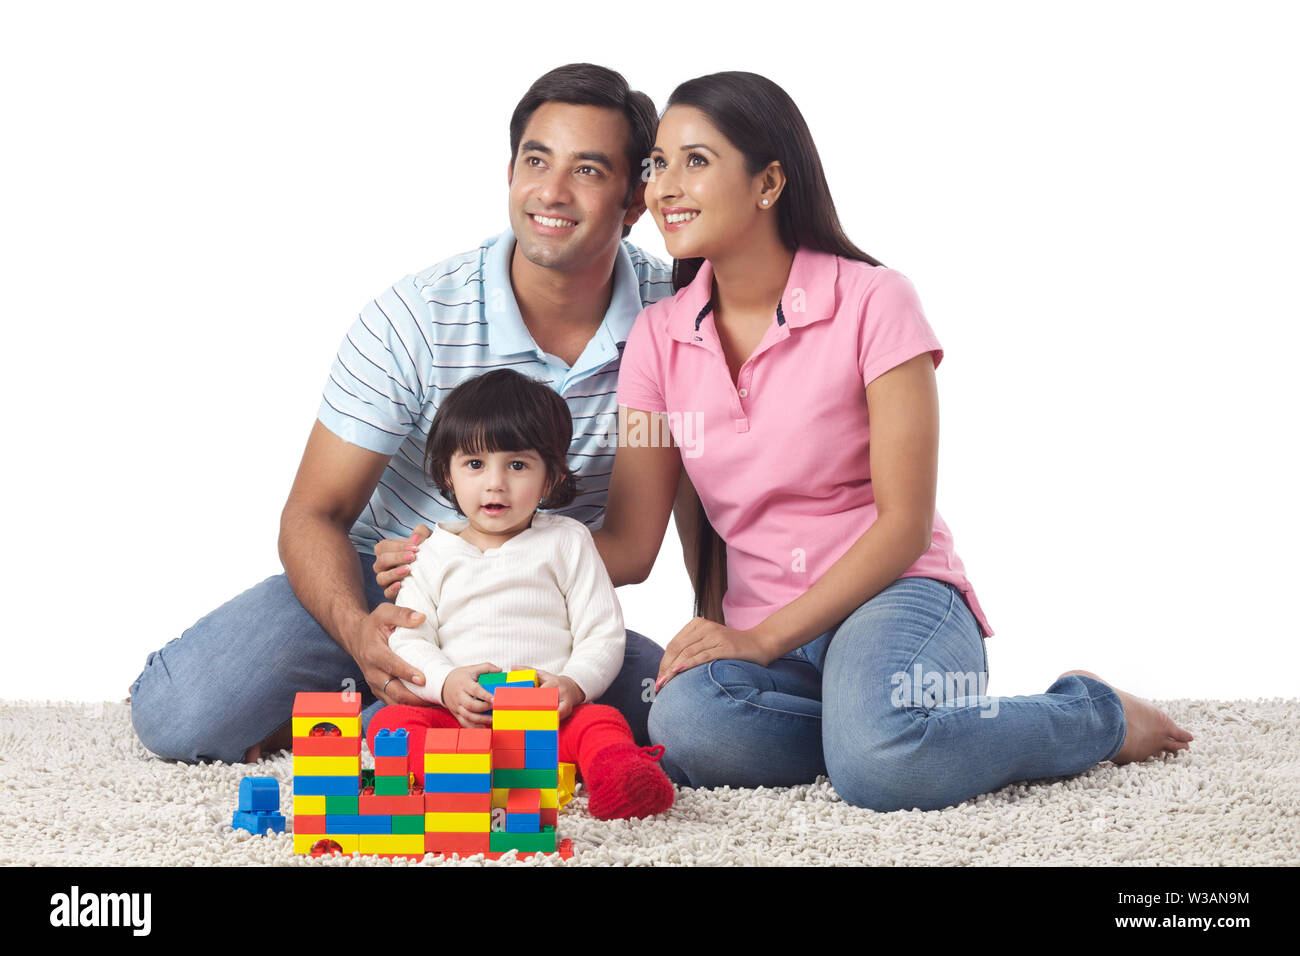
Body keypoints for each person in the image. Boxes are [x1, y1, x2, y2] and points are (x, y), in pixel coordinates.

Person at [582, 71, 1194, 811]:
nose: (664, 187)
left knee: (880, 769)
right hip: (765, 633)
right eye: (657, 164)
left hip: (897, 597)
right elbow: (634, 536)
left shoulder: (876, 303)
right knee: (684, 722)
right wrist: (470, 547)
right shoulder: (656, 340)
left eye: (696, 161)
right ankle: (878, 733)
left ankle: (1092, 712)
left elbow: (904, 525)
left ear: (769, 182)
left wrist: (763, 641)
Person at [127, 63, 686, 766]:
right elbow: (313, 514)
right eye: (535, 161)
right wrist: (365, 631)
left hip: (547, 599)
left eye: (588, 171)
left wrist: (493, 560)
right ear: (510, 170)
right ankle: (368, 689)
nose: (551, 191)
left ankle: (380, 710)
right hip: (388, 586)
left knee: (685, 724)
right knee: (182, 718)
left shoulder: (674, 322)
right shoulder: (417, 317)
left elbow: (632, 551)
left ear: (635, 200)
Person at [366, 368, 674, 820]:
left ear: (549, 479)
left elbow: (602, 634)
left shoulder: (567, 541)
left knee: (601, 723)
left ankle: (623, 780)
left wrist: (572, 685)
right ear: (447, 477)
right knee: (391, 723)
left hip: (548, 722)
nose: (495, 483)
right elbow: (410, 638)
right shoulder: (431, 553)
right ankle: (454, 780)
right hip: (461, 719)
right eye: (474, 464)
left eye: (517, 465)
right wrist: (448, 684)